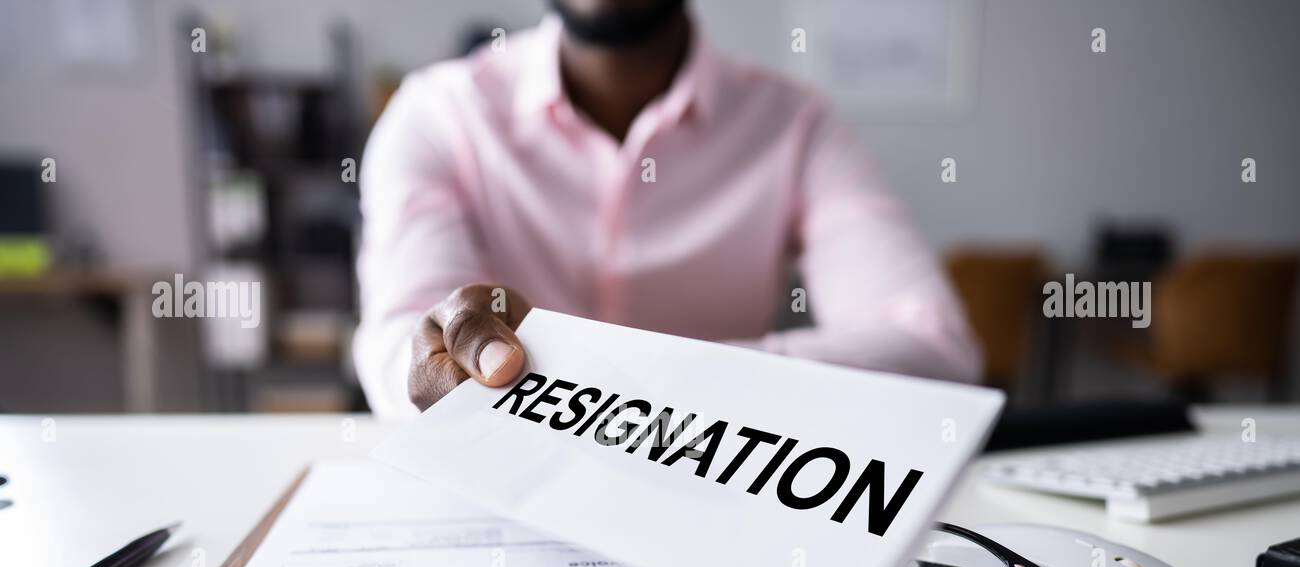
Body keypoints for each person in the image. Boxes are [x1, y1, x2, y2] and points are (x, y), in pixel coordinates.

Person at [355, 0, 982, 417]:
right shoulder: (438, 115)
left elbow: (935, 352)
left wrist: (638, 383)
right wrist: (435, 358)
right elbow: (401, 344)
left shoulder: (795, 125)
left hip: (724, 517)